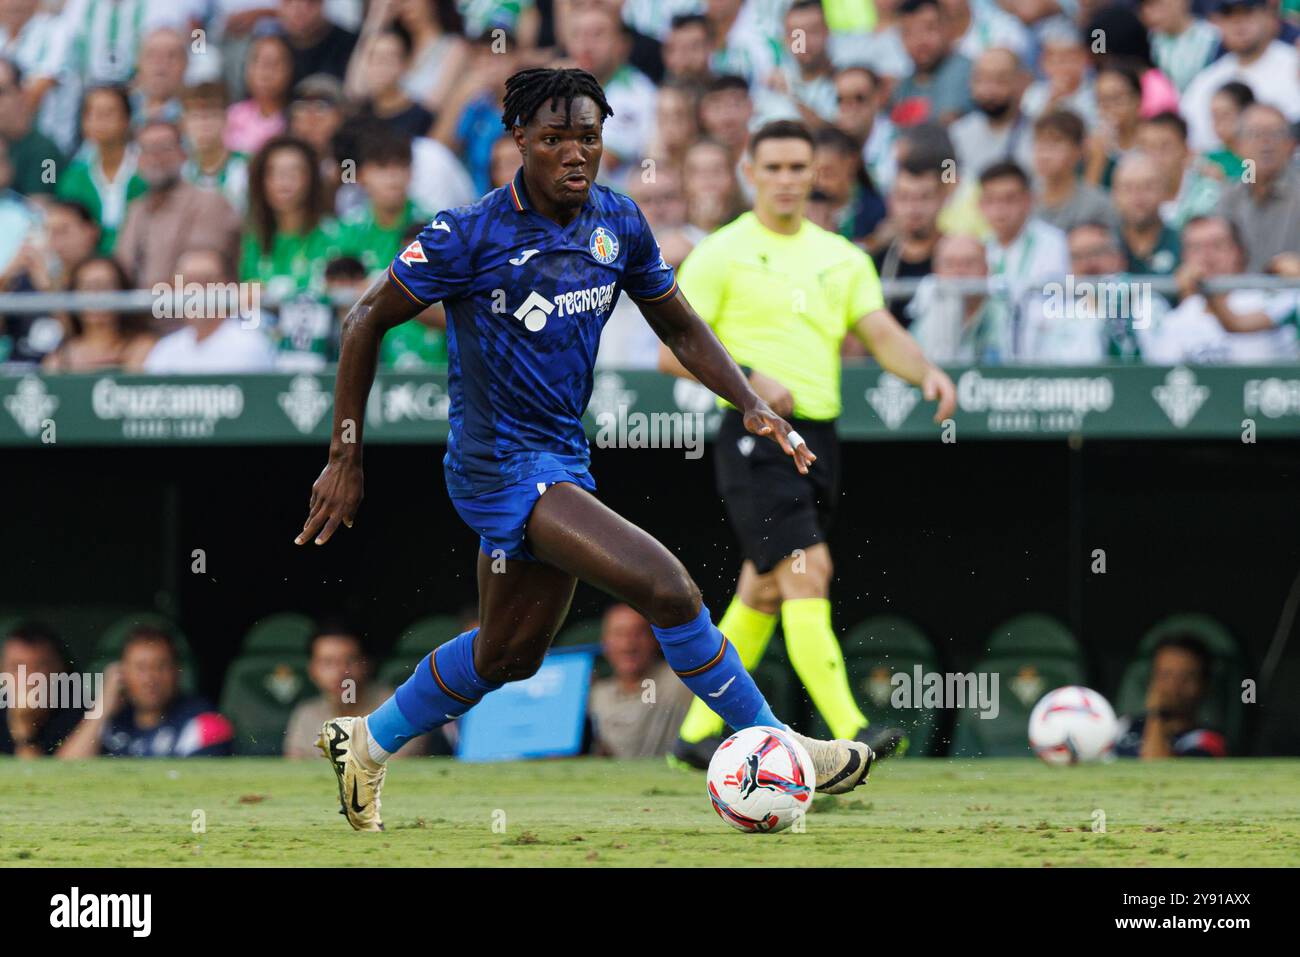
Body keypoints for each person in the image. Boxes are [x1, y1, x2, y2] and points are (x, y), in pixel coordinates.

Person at [298, 68, 876, 832]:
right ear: (519, 144)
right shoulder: (467, 232)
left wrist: (751, 401)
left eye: (589, 139)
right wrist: (346, 455)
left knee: (508, 653)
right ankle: (780, 741)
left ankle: (366, 742)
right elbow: (365, 319)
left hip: (561, 458)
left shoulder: (617, 222)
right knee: (668, 586)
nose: (575, 154)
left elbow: (677, 323)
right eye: (554, 139)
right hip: (497, 465)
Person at [660, 119, 956, 766]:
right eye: (774, 168)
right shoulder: (720, 251)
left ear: (815, 172)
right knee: (806, 569)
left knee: (762, 591)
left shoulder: (840, 256)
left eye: (799, 168)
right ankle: (849, 729)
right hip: (755, 432)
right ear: (751, 171)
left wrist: (927, 370)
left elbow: (879, 332)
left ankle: (692, 735)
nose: (788, 180)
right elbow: (671, 350)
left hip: (821, 436)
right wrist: (749, 382)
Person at [60, 626, 235, 758]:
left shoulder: (204, 722)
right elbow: (67, 771)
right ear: (123, 674)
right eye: (140, 668)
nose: (150, 679)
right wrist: (103, 707)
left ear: (177, 672)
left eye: (160, 667)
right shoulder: (112, 721)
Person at [1144, 214, 1297, 362]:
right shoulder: (1176, 320)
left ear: (1238, 251)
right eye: (1196, 248)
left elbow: (1235, 324)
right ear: (1184, 257)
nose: (1207, 256)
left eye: (1217, 245)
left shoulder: (1269, 298)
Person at [115, 120, 243, 289]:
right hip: (136, 310)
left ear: (184, 154)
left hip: (189, 311)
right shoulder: (136, 209)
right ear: (137, 160)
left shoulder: (209, 202)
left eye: (165, 148)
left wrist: (140, 302)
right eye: (146, 149)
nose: (155, 157)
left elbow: (199, 276)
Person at [284, 624, 431, 758]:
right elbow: (294, 772)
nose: (341, 672)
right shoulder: (306, 715)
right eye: (328, 663)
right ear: (312, 670)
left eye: (350, 660)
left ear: (366, 665)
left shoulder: (398, 707)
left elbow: (396, 774)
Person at [1179, 0, 1300, 152]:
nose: (1238, 21)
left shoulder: (1294, 64)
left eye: (1247, 12)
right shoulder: (1206, 80)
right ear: (1217, 22)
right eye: (1228, 14)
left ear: (1268, 15)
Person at [142, 247, 277, 372]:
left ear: (228, 285)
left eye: (206, 282)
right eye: (187, 283)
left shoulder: (250, 346)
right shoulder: (165, 350)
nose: (196, 292)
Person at [587, 604, 694, 758]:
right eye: (619, 634)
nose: (628, 645)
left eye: (638, 633)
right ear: (605, 643)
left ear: (655, 639)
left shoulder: (680, 679)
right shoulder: (596, 695)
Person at [1214, 104, 1300, 273]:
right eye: (1255, 134)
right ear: (1238, 146)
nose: (1266, 142)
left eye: (1276, 134)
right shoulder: (1229, 197)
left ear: (1290, 144)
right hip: (1238, 295)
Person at [1114, 634, 1228, 758]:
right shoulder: (1125, 725)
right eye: (1165, 675)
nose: (1173, 686)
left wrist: (1156, 713)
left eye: (1186, 677)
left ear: (1204, 685)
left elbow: (1155, 769)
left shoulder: (1207, 740)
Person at [906, 233, 1011, 363]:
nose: (959, 272)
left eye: (969, 263)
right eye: (950, 264)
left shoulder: (1005, 312)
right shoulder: (927, 313)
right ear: (936, 271)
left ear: (986, 268)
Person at [41, 256, 156, 371]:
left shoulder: (144, 349)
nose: (97, 296)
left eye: (106, 286)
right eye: (87, 287)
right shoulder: (58, 360)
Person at [873, 152, 947, 323]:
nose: (914, 208)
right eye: (904, 198)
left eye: (924, 197)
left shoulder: (961, 259)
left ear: (942, 198)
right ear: (891, 202)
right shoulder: (876, 263)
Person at [948, 48, 1034, 181]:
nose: (988, 91)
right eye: (980, 80)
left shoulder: (1037, 134)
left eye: (999, 80)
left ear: (1022, 82)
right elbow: (946, 182)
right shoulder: (956, 134)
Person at [0, 621, 82, 757]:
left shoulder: (83, 715)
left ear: (61, 669)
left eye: (39, 666)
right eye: (16, 667)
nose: (29, 677)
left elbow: (63, 774)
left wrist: (25, 733)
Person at [1032, 109, 1119, 234]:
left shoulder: (1098, 205)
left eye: (1056, 142)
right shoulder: (1024, 201)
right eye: (1039, 142)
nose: (1044, 153)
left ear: (1079, 149)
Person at [1135, 110, 1220, 231]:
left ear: (1185, 150)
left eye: (1164, 147)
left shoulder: (1208, 193)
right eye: (1146, 148)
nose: (1154, 157)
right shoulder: (1131, 197)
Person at [890, 0, 972, 127]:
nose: (920, 40)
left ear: (949, 28)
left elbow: (947, 122)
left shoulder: (969, 73)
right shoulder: (902, 88)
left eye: (929, 28)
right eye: (908, 32)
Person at [1111, 151, 1182, 276]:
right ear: (1115, 194)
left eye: (1148, 187)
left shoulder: (1183, 243)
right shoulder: (1104, 246)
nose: (1138, 197)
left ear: (1164, 191)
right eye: (1128, 188)